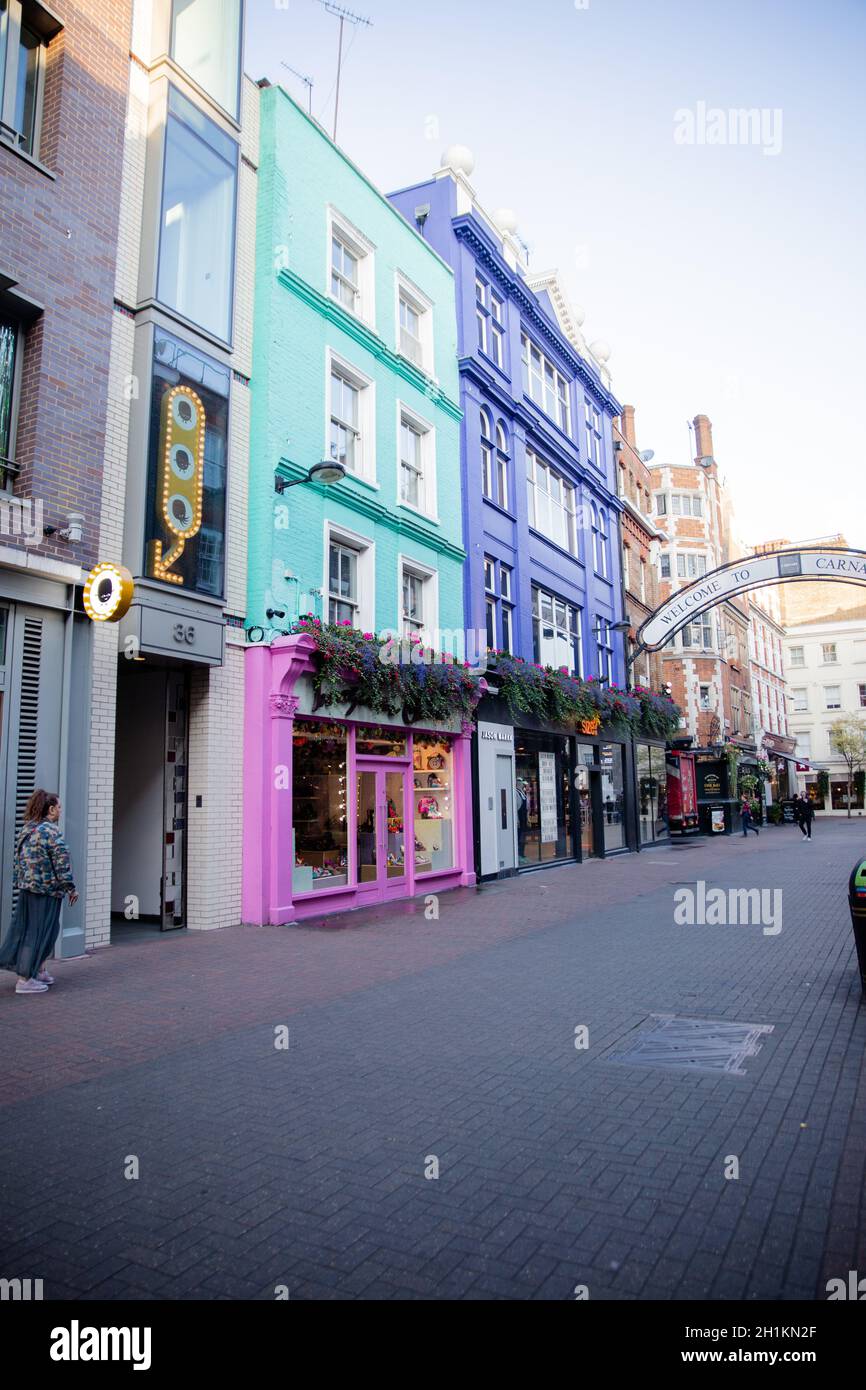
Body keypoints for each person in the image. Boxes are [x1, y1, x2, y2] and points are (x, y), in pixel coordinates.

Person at [0, 790, 77, 995]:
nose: (60, 811)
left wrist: (21, 882)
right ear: (51, 809)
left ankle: (39, 970)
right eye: (58, 807)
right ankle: (25, 979)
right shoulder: (51, 832)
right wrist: (70, 887)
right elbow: (62, 862)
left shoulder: (26, 830)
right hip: (47, 890)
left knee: (30, 930)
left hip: (27, 888)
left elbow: (18, 861)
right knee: (42, 932)